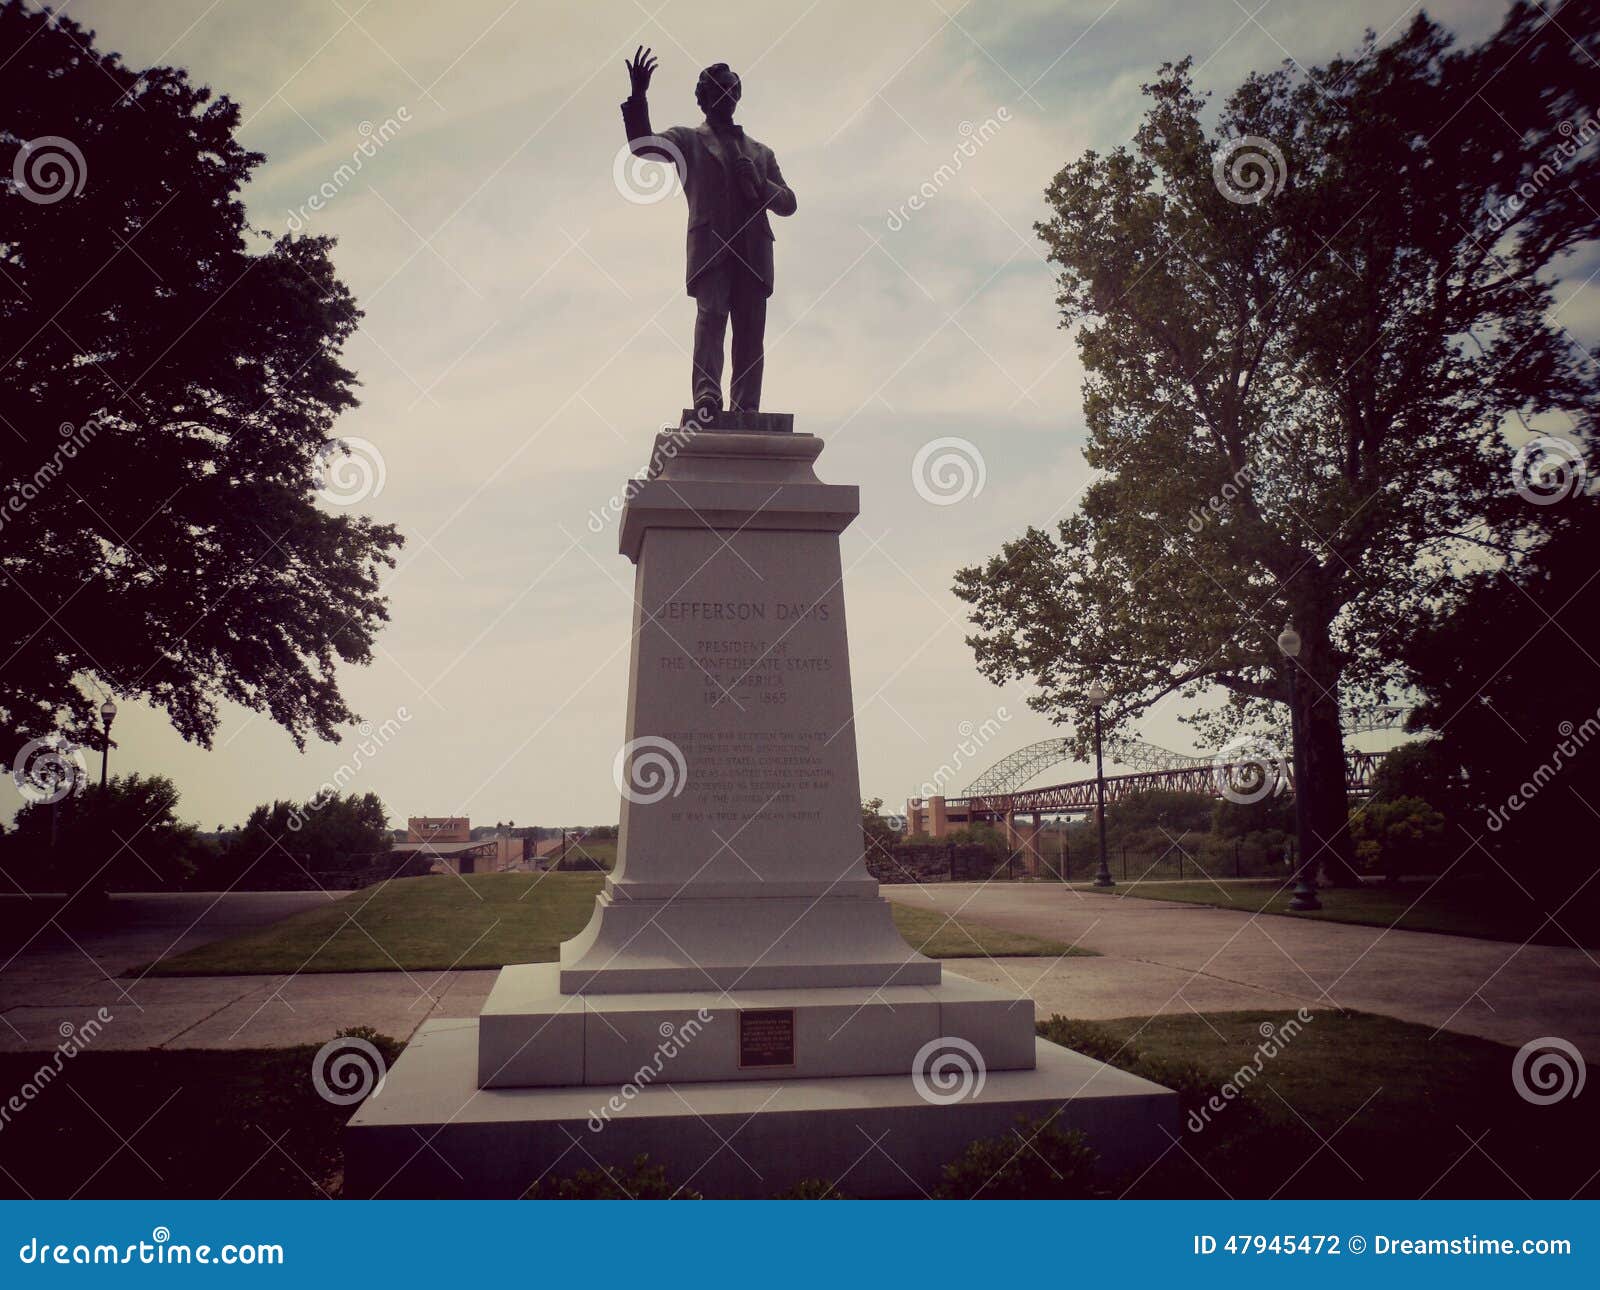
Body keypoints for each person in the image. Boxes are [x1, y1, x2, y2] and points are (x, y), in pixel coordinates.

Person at [620, 48, 797, 415]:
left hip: (753, 252)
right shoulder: (688, 140)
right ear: (702, 99)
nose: (725, 97)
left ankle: (747, 406)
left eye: (731, 90)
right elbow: (643, 146)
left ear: (738, 95)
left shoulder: (761, 153)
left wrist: (761, 184)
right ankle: (707, 397)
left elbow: (789, 202)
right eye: (716, 91)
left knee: (750, 334)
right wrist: (639, 96)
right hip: (712, 248)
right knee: (711, 320)